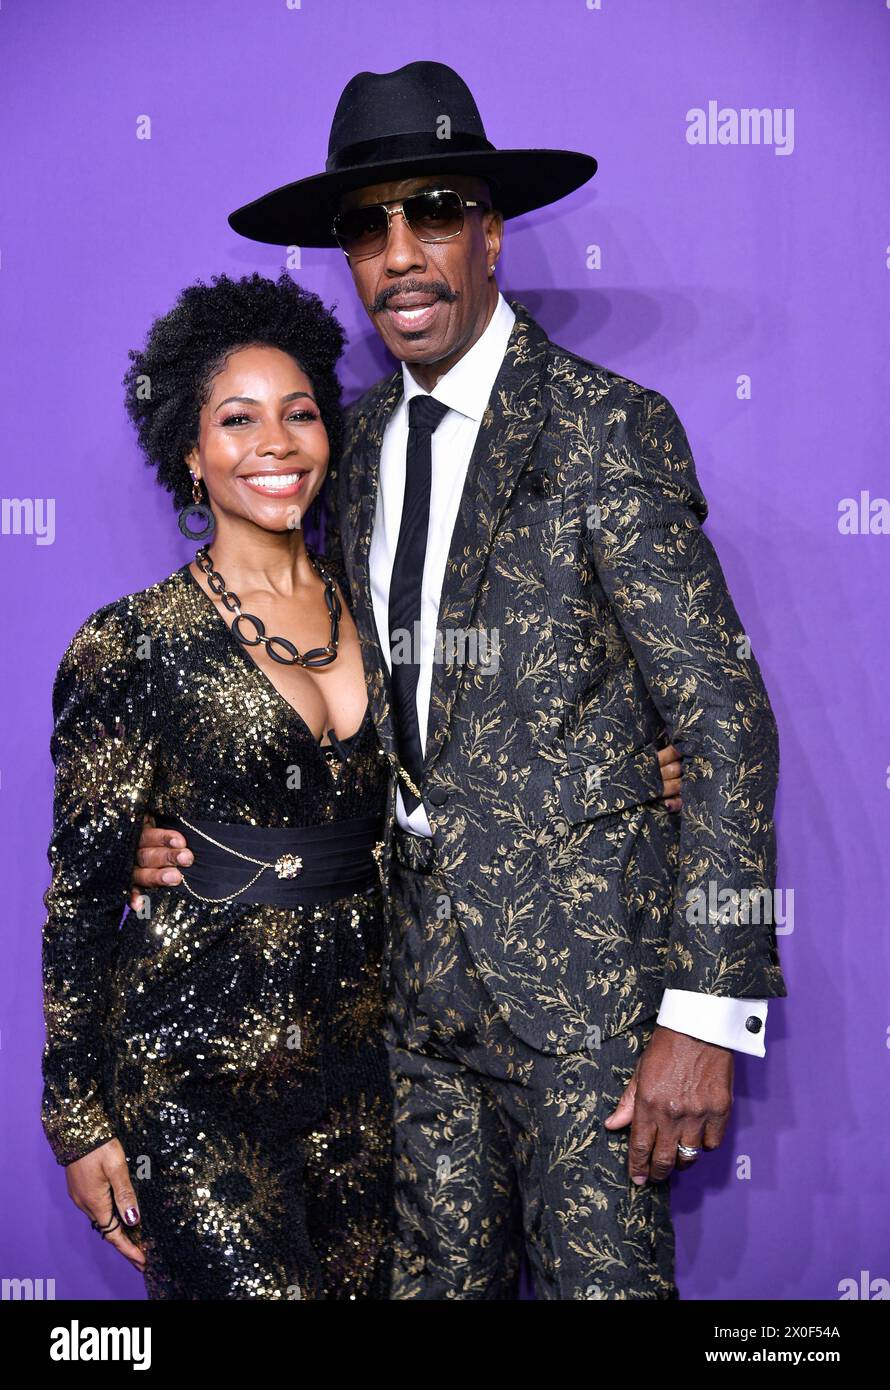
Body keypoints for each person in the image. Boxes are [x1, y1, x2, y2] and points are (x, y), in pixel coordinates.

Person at [133, 61, 785, 1299]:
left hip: (590, 1000)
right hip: (410, 997)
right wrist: (186, 836)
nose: (398, 251)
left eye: (431, 209)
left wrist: (706, 1009)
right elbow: (337, 693)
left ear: (487, 231)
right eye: (364, 224)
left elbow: (721, 720)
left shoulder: (605, 426)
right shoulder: (357, 446)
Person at [40, 273, 395, 1299]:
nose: (275, 443)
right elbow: (79, 898)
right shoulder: (131, 643)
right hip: (193, 1076)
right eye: (237, 420)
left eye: (298, 414)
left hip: (366, 1067)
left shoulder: (383, 613)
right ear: (191, 455)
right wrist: (79, 1119)